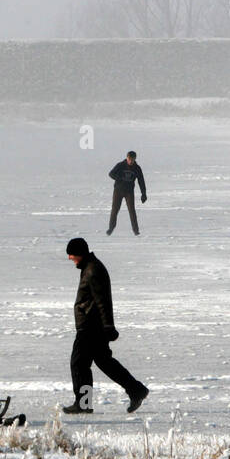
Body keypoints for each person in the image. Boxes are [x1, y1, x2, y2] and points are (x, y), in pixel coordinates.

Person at [62, 237, 149, 414]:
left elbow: (103, 301)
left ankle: (84, 404)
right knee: (103, 361)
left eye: (71, 254)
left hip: (90, 327)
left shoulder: (93, 270)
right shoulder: (89, 267)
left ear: (79, 253)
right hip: (94, 326)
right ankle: (135, 389)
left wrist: (108, 326)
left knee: (79, 363)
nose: (70, 258)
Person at [107, 150, 147, 235]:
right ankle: (111, 228)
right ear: (127, 158)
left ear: (135, 159)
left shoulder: (137, 168)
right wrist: (119, 178)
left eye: (132, 160)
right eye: (129, 159)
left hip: (129, 192)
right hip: (118, 191)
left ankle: (136, 231)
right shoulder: (120, 165)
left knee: (132, 211)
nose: (131, 161)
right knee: (115, 210)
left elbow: (141, 181)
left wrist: (143, 194)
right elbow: (111, 174)